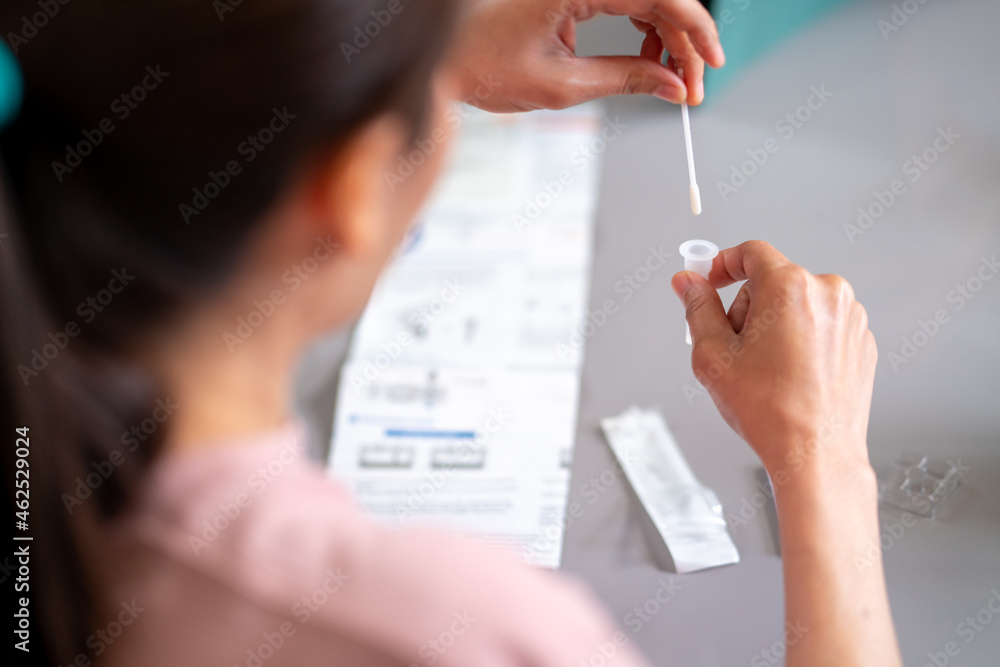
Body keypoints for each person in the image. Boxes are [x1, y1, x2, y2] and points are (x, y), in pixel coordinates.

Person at [0, 0, 901, 665]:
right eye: (437, 96)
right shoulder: (455, 630)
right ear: (348, 188)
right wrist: (821, 459)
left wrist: (405, 56)